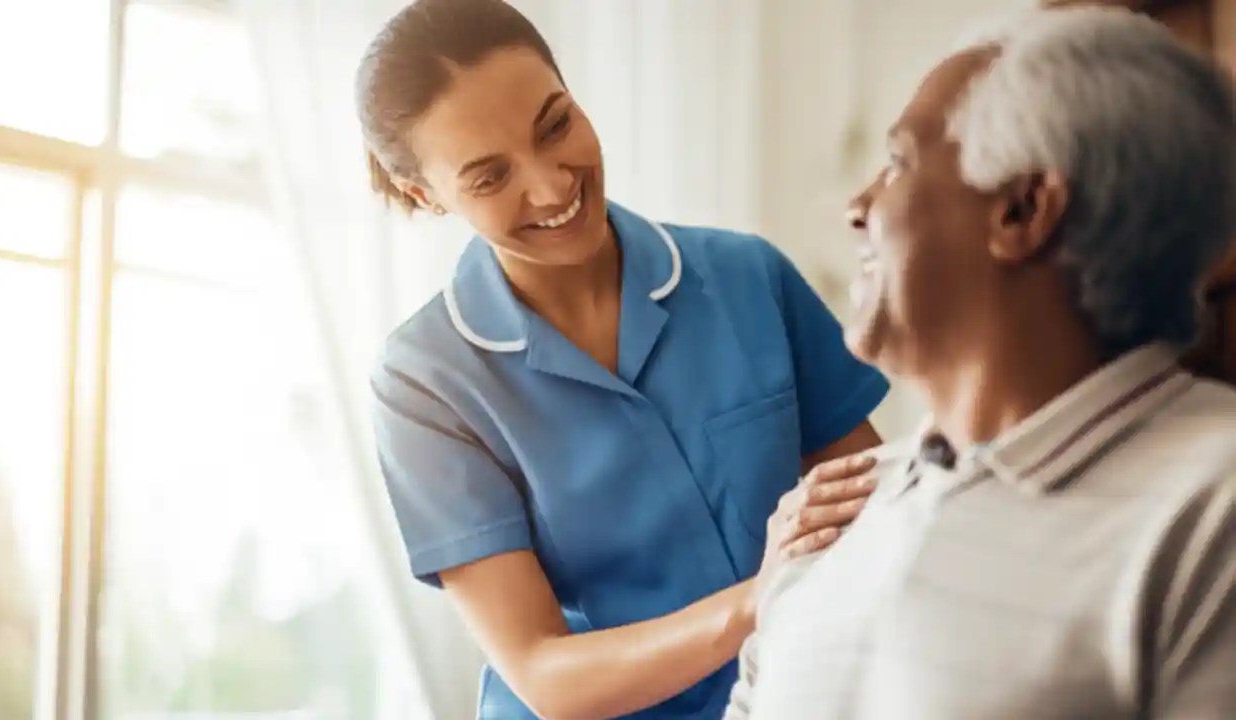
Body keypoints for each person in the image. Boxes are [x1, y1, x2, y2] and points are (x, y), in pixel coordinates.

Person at [356, 1, 890, 717]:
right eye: (489, 177)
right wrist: (764, 596)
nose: (551, 187)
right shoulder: (423, 382)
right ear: (427, 194)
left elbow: (880, 517)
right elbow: (546, 674)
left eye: (556, 126)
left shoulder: (748, 277)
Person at [725, 6, 1236, 719]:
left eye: (899, 162)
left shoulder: (1213, 508)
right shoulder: (835, 515)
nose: (857, 205)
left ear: (1023, 211)